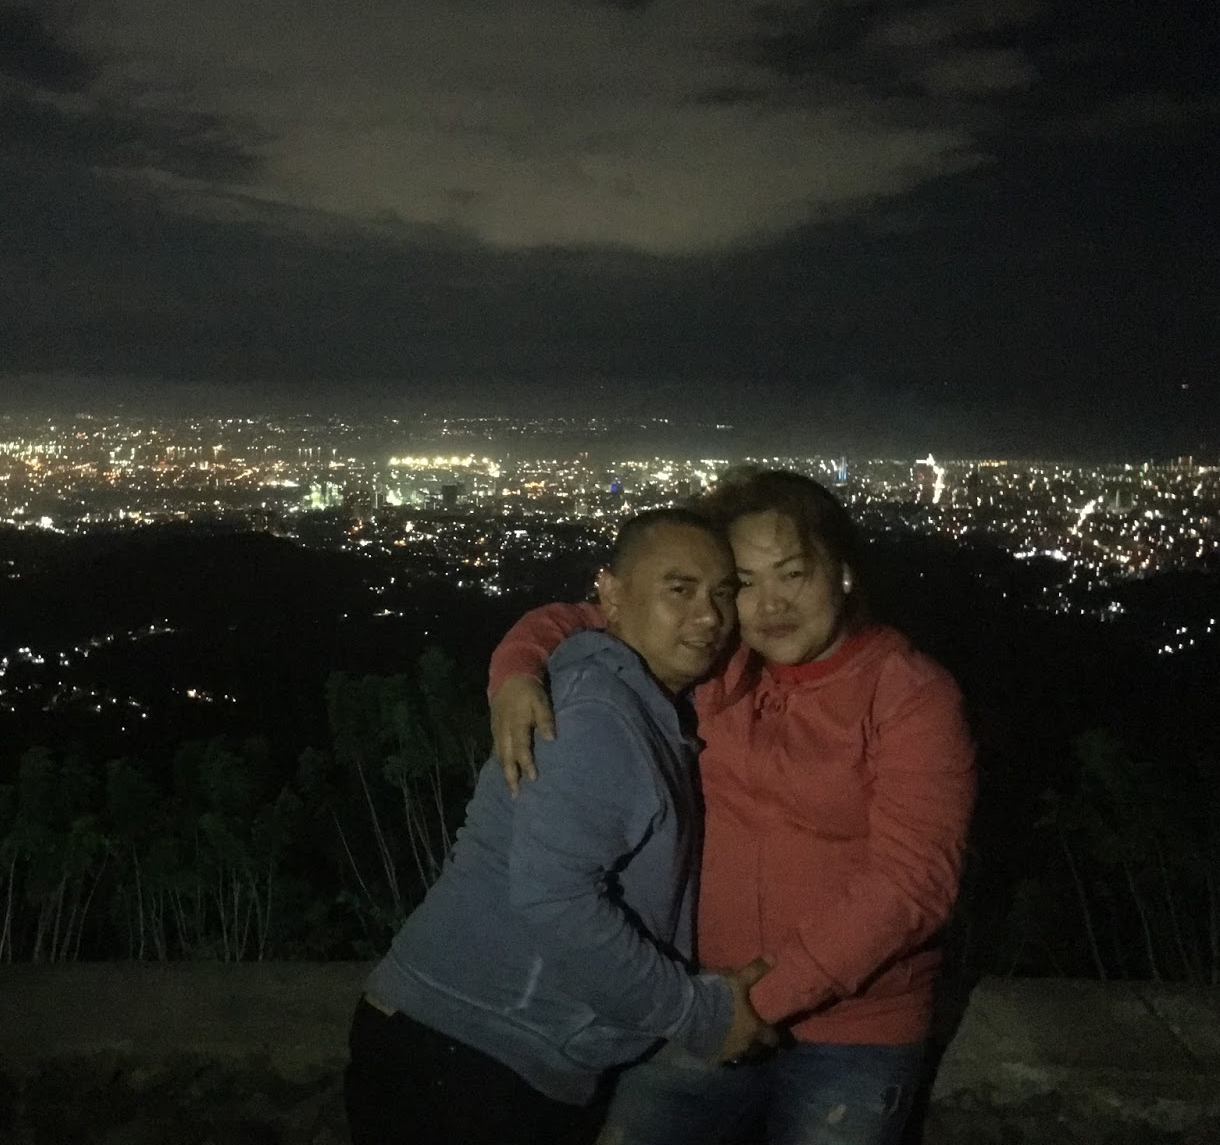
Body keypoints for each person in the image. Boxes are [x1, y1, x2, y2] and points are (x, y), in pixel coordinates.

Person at [488, 470, 976, 1145]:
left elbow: (913, 881)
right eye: (745, 581)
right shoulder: (718, 663)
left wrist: (749, 1006)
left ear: (842, 573)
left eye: (792, 573)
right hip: (702, 1003)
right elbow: (589, 615)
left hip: (853, 1029)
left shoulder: (908, 693)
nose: (769, 603)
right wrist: (515, 670)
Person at [346, 508, 774, 1145]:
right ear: (612, 596)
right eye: (679, 590)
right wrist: (697, 1012)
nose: (710, 617)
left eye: (722, 594)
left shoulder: (637, 700)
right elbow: (557, 900)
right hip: (471, 1054)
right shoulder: (599, 714)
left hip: (474, 1046)